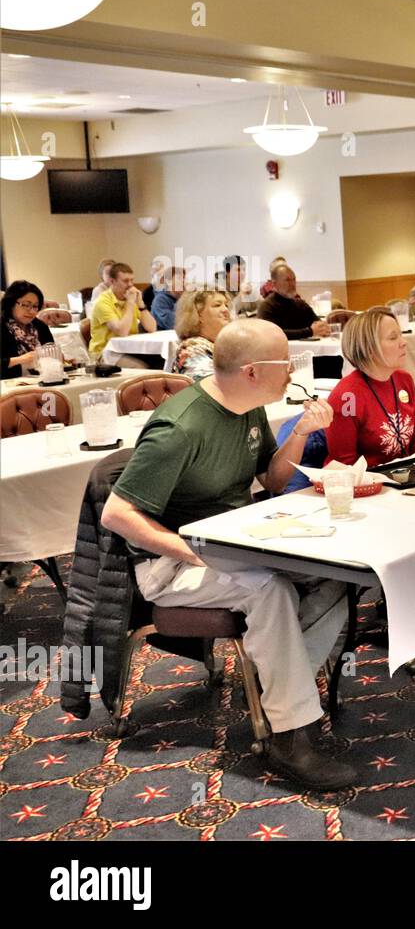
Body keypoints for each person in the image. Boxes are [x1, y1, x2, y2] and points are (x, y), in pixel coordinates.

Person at [100, 320, 356, 789]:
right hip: (171, 563)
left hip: (236, 542)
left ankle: (272, 684)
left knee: (339, 573)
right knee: (270, 592)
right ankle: (288, 738)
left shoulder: (247, 406)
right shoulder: (180, 427)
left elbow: (274, 481)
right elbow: (117, 514)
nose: (294, 371)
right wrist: (195, 554)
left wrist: (299, 431)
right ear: (254, 371)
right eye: (287, 364)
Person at [325, 307, 415, 467]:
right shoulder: (346, 396)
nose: (404, 342)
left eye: (401, 335)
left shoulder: (404, 380)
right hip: (366, 484)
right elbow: (344, 465)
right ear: (369, 349)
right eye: (393, 338)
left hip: (406, 477)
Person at [89, 262, 156, 359]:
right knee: (142, 367)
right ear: (112, 281)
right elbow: (122, 332)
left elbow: (152, 327)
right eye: (125, 281)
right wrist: (130, 303)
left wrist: (141, 304)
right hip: (106, 354)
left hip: (129, 349)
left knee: (161, 361)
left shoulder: (130, 298)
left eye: (132, 280)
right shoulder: (102, 302)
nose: (130, 285)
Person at [256, 264, 329, 340]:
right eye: (287, 280)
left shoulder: (301, 304)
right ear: (275, 284)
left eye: (294, 279)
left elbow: (319, 324)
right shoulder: (267, 306)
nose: (292, 284)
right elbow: (272, 334)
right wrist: (309, 332)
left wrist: (323, 328)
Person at [2, 280, 56, 378]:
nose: (31, 311)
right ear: (11, 303)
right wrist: (19, 360)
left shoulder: (40, 326)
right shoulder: (2, 327)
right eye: (26, 305)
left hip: (44, 379)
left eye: (35, 306)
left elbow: (51, 351)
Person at [174, 288, 231, 380]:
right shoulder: (191, 349)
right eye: (217, 305)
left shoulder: (223, 345)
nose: (225, 310)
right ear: (198, 314)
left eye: (226, 305)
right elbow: (211, 386)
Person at [149, 266, 182, 331]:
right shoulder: (160, 300)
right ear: (168, 282)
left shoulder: (183, 297)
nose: (184, 282)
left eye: (185, 278)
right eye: (179, 278)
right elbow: (172, 324)